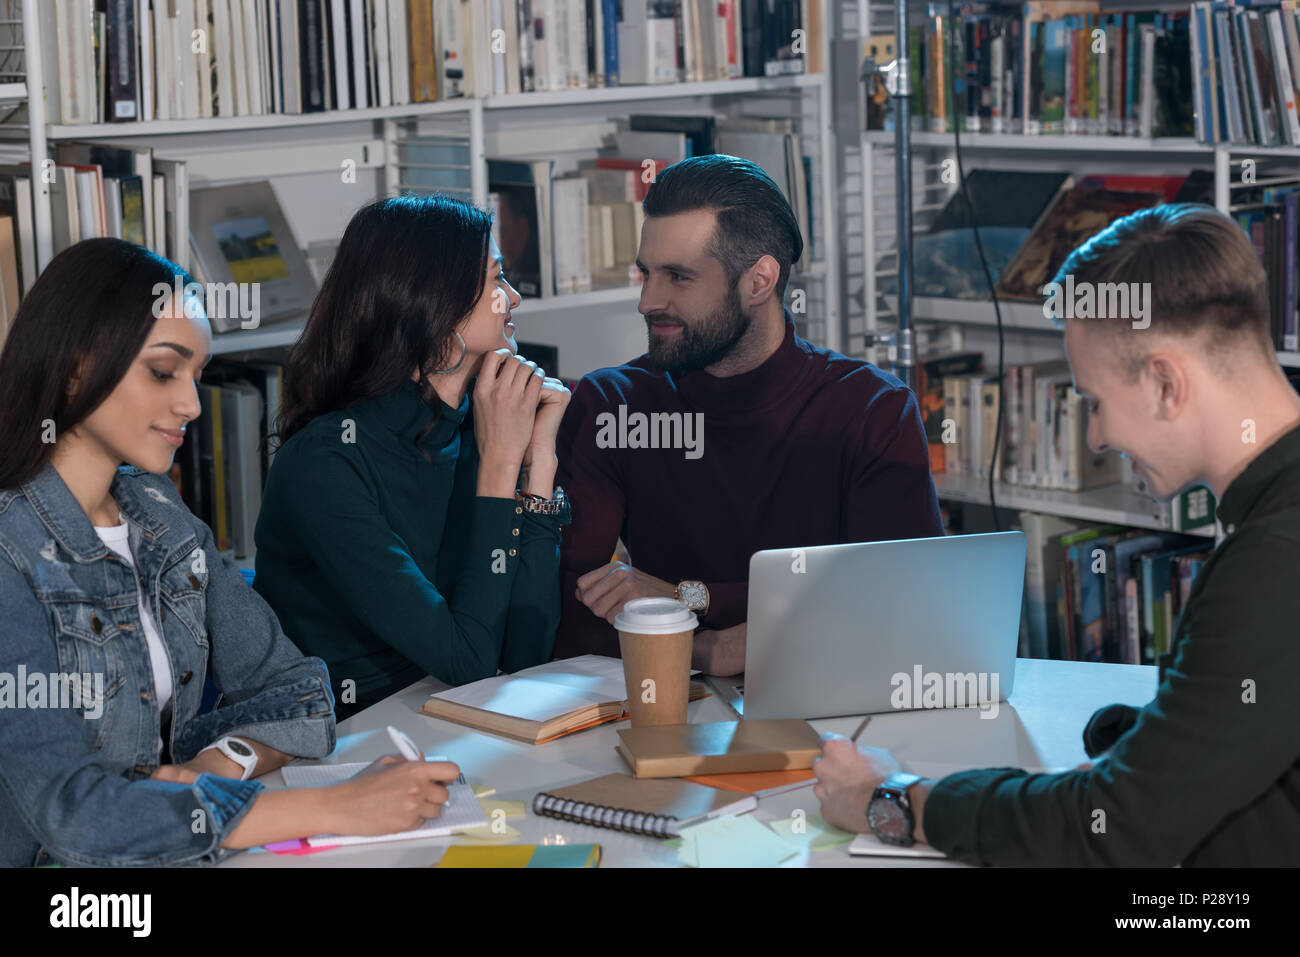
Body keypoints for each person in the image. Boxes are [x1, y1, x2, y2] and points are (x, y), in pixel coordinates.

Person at [813, 204, 1300, 865]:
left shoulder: (1273, 561)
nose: (1098, 436)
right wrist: (1141, 749)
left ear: (1165, 383)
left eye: (1095, 400)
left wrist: (892, 798)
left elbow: (1112, 831)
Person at [0, 239, 457, 867]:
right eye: (164, 371)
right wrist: (335, 807)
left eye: (197, 375)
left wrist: (218, 767)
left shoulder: (157, 513)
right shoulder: (9, 549)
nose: (190, 404)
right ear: (77, 366)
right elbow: (72, 817)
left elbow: (299, 692)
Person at [553, 154, 944, 673]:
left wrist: (688, 601)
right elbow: (575, 611)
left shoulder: (872, 409)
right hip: (663, 704)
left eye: (678, 277)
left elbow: (900, 606)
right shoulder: (613, 405)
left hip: (832, 709)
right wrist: (717, 648)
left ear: (759, 281)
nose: (648, 301)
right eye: (645, 273)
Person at [254, 194, 571, 721]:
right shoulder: (325, 465)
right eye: (497, 281)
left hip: (444, 722)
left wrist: (538, 463)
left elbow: (526, 656)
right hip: (341, 742)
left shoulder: (480, 423)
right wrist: (498, 468)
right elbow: (467, 661)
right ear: (435, 305)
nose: (513, 297)